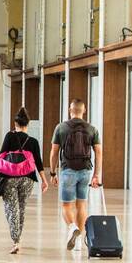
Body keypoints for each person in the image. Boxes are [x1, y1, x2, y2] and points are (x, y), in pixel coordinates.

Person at [50, 99, 102, 251]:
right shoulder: (92, 129)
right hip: (85, 171)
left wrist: (53, 172)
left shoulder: (61, 128)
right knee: (82, 204)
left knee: (66, 205)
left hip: (68, 170)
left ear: (69, 110)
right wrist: (96, 175)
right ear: (83, 110)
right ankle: (79, 243)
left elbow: (54, 151)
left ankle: (72, 227)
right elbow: (98, 152)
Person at [0, 108, 48, 254]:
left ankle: (15, 240)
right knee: (21, 207)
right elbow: (38, 162)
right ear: (28, 124)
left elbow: (1, 156)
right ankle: (17, 239)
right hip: (28, 178)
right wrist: (44, 180)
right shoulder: (33, 142)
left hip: (10, 177)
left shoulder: (9, 136)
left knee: (11, 209)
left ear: (15, 123)